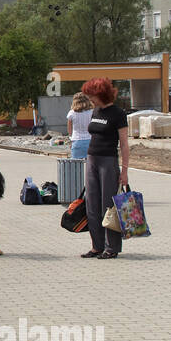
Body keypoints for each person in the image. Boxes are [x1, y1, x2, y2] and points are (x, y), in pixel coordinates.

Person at [79, 77, 129, 260]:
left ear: (101, 94)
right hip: (92, 159)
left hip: (108, 161)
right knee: (92, 205)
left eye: (92, 96)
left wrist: (124, 171)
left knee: (108, 207)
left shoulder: (118, 114)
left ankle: (111, 247)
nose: (90, 100)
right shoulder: (96, 111)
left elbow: (124, 144)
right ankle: (96, 246)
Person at [66, 92, 93, 159]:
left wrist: (70, 139)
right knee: (91, 167)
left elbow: (69, 129)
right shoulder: (92, 112)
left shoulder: (71, 113)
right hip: (91, 141)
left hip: (77, 141)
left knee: (76, 167)